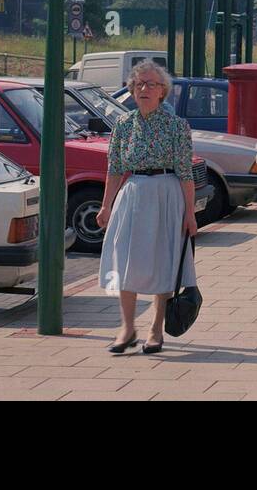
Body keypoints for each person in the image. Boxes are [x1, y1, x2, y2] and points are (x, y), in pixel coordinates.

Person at [96, 60, 199, 354]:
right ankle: (127, 328)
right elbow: (114, 169)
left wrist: (190, 213)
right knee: (125, 259)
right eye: (139, 84)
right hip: (133, 195)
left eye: (151, 84)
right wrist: (106, 206)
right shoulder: (123, 125)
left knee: (162, 261)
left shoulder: (177, 126)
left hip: (166, 195)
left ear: (162, 91)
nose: (144, 89)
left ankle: (156, 329)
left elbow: (185, 172)